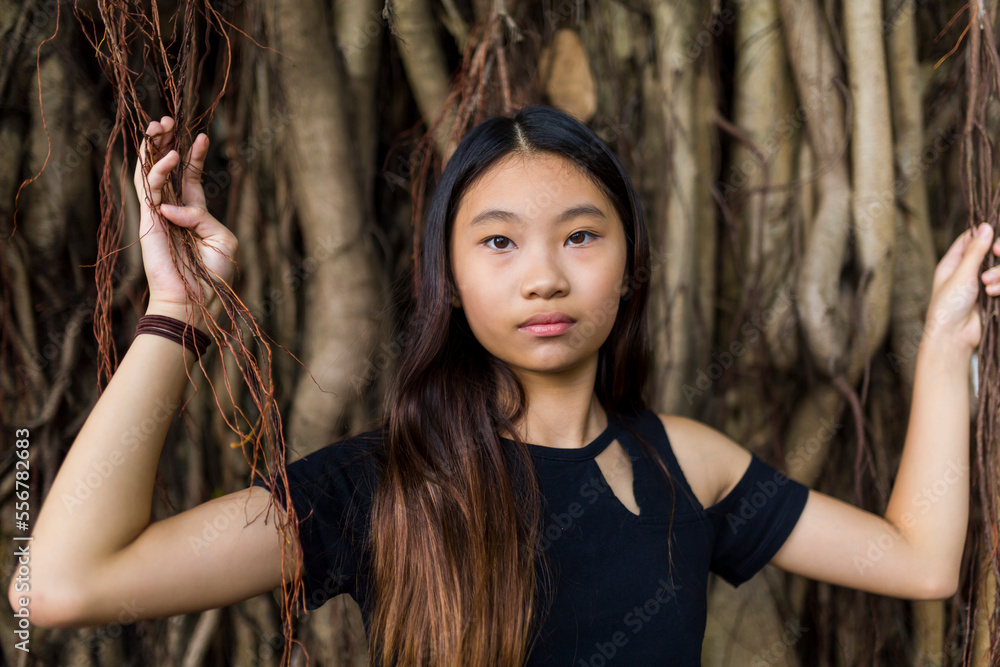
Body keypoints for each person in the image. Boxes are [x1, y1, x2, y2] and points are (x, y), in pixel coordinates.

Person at [12, 104, 1000, 666]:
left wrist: (941, 349)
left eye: (580, 235)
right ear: (448, 274)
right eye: (498, 241)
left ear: (628, 267)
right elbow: (62, 584)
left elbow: (919, 561)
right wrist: (177, 312)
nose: (544, 275)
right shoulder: (383, 485)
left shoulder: (684, 463)